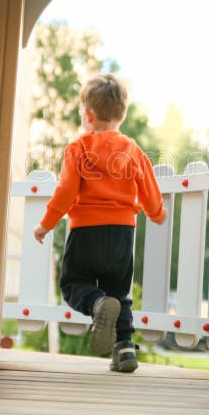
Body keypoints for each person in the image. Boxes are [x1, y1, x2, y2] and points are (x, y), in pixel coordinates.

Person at [33, 73, 166, 373]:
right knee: (120, 294)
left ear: (89, 115)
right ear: (121, 114)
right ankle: (125, 350)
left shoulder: (78, 149)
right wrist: (157, 213)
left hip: (85, 232)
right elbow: (149, 188)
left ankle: (95, 304)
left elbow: (65, 191)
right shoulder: (132, 150)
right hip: (122, 233)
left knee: (73, 284)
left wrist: (46, 224)